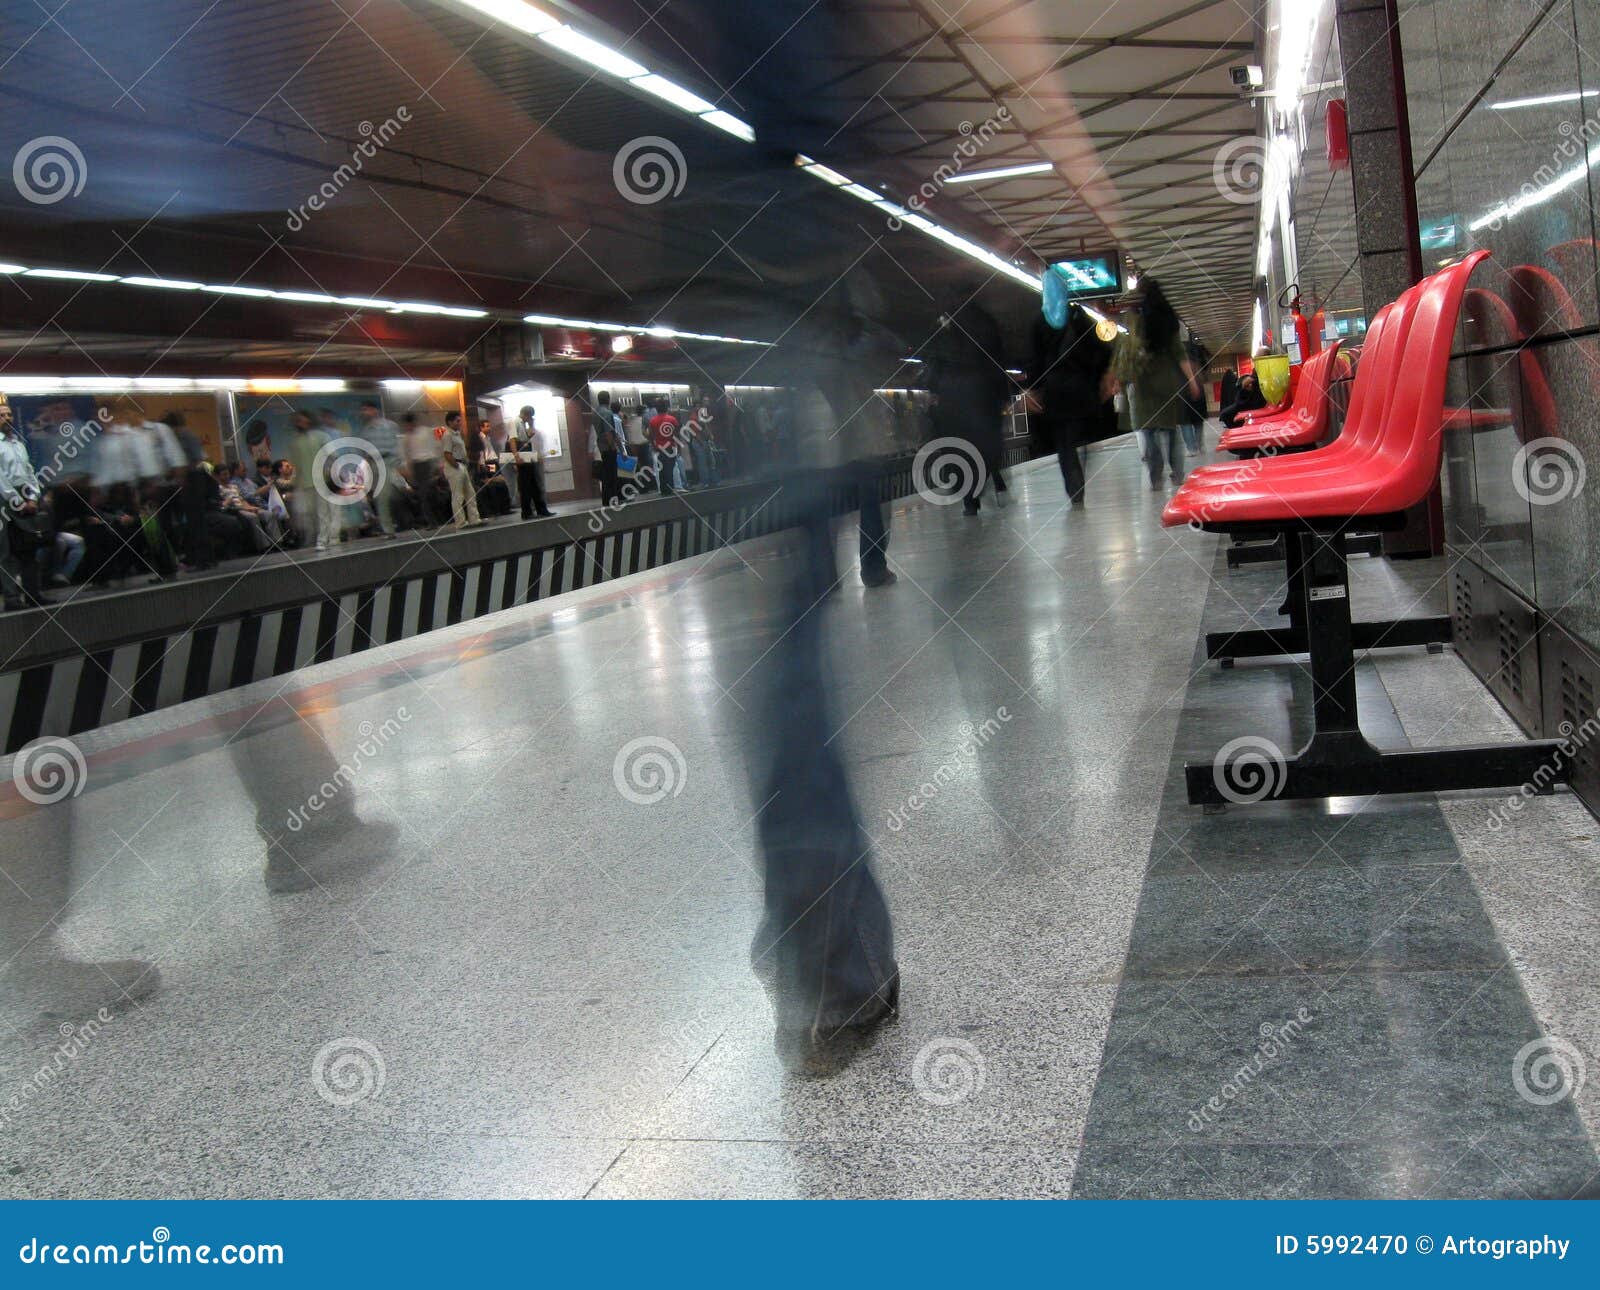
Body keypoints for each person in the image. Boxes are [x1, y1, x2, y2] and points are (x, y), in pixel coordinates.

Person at [927, 287, 1011, 516]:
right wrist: (1003, 395)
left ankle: (969, 498)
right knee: (985, 444)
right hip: (984, 394)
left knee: (959, 445)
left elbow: (935, 360)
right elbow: (997, 362)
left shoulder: (945, 323)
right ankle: (981, 479)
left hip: (954, 396)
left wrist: (934, 388)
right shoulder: (987, 323)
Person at [1112, 277, 1202, 491]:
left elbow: (1127, 354)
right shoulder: (1168, 321)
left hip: (1141, 385)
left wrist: (1119, 380)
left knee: (1147, 431)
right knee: (1171, 431)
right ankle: (1178, 474)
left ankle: (1155, 475)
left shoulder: (1136, 320)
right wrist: (1192, 380)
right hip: (1167, 383)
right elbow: (1179, 353)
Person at [1030, 301, 1115, 507]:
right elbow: (1103, 350)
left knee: (1064, 443)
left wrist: (1033, 387)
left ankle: (1074, 486)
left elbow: (1035, 359)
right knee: (1080, 435)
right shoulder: (1080, 317)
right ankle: (1080, 466)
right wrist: (1101, 377)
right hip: (1082, 388)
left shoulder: (1040, 321)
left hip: (1056, 390)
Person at [0, 401, 55, 610]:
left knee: (29, 546)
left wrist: (32, 497)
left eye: (9, 414)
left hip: (24, 496)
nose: (7, 418)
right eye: (2, 415)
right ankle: (11, 599)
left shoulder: (18, 444)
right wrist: (17, 501)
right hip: (4, 500)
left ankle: (34, 594)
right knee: (6, 552)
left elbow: (30, 473)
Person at [286, 409, 336, 550]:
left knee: (322, 513)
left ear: (309, 420)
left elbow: (332, 455)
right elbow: (296, 466)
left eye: (303, 420)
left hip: (321, 480)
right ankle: (313, 539)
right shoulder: (295, 442)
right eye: (298, 421)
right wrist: (295, 485)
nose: (301, 423)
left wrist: (332, 472)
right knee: (310, 513)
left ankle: (322, 540)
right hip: (305, 483)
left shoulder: (321, 436)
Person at [356, 399, 403, 538]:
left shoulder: (390, 426)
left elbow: (397, 445)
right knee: (381, 497)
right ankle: (389, 528)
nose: (364, 413)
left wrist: (398, 464)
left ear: (374, 410)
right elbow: (363, 451)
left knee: (386, 496)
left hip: (389, 462)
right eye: (363, 410)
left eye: (366, 409)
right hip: (374, 464)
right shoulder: (365, 431)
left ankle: (390, 528)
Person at [439, 410, 482, 529]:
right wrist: (456, 465)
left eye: (460, 421)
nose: (460, 423)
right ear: (450, 422)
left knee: (470, 493)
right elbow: (447, 453)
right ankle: (460, 522)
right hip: (454, 466)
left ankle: (474, 519)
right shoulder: (447, 435)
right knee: (458, 496)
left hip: (461, 465)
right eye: (457, 421)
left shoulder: (457, 434)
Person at [400, 412, 442, 527]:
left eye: (408, 425)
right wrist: (409, 471)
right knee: (423, 495)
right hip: (417, 466)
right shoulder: (407, 438)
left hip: (428, 463)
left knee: (430, 493)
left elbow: (435, 448)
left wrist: (438, 464)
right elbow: (407, 456)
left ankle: (436, 519)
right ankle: (431, 521)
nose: (407, 428)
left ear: (412, 423)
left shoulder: (425, 432)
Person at [512, 405, 553, 519]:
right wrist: (516, 457)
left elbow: (526, 438)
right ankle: (527, 512)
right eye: (529, 417)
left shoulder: (522, 424)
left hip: (527, 453)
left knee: (534, 484)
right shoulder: (515, 422)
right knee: (525, 485)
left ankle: (541, 509)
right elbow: (512, 440)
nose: (529, 419)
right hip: (522, 455)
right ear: (526, 415)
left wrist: (530, 427)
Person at [593, 391, 623, 505]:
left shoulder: (595, 412)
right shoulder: (607, 413)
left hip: (601, 447)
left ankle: (606, 500)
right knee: (612, 475)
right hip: (608, 448)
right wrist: (613, 446)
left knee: (606, 475)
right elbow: (609, 433)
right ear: (608, 399)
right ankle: (613, 499)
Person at [648, 398, 681, 496]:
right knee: (669, 469)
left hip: (659, 449)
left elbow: (651, 436)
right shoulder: (672, 419)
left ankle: (663, 490)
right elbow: (677, 434)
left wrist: (654, 445)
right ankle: (670, 489)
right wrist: (679, 447)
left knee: (661, 469)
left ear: (656, 409)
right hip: (671, 447)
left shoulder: (652, 420)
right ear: (666, 408)